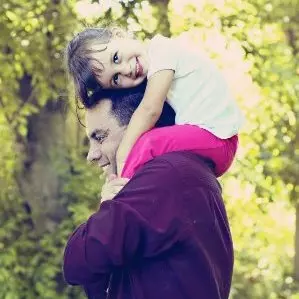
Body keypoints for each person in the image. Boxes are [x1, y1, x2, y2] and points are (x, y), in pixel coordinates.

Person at [63, 87, 234, 299]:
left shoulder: (166, 175)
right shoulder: (180, 172)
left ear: (140, 125)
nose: (92, 155)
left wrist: (107, 209)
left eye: (100, 137)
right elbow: (99, 281)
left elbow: (77, 260)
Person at [65, 27, 243, 177]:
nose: (126, 69)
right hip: (210, 141)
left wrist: (122, 156)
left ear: (118, 34)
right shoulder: (152, 68)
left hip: (217, 140)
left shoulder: (161, 50)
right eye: (116, 79)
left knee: (147, 143)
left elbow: (150, 110)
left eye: (116, 58)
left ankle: (121, 190)